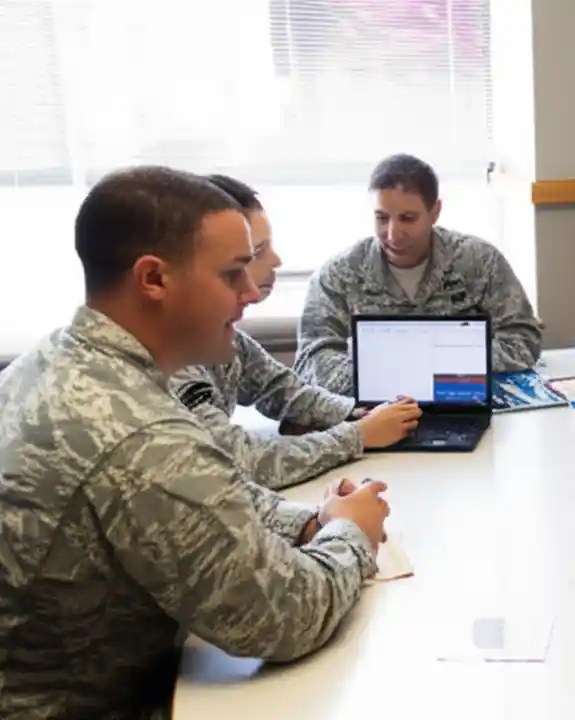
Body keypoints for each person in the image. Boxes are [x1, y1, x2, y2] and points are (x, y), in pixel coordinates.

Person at [0, 166, 391, 718]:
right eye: (233, 274)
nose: (252, 291)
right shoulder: (142, 438)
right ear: (154, 279)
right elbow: (287, 616)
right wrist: (353, 533)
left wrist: (307, 522)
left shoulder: (55, 362)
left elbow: (203, 494)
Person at [170, 174, 420, 490]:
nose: (276, 260)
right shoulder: (168, 358)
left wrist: (356, 414)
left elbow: (284, 391)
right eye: (256, 253)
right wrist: (359, 435)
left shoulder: (225, 338)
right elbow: (240, 462)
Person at [295, 154, 541, 393]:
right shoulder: (339, 274)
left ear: (435, 212)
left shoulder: (479, 261)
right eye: (381, 218)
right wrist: (395, 371)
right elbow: (311, 361)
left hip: (459, 396)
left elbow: (523, 340)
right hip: (374, 411)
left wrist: (437, 362)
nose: (392, 234)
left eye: (407, 218)